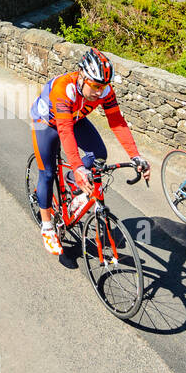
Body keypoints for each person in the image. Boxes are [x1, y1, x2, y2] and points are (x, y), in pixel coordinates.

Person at [30, 48, 149, 254]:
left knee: (99, 154)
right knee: (47, 174)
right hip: (46, 123)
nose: (98, 92)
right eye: (94, 86)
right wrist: (77, 166)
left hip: (75, 118)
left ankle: (72, 182)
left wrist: (135, 155)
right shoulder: (63, 89)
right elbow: (65, 131)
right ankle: (47, 227)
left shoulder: (104, 91)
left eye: (103, 87)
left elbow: (117, 122)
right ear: (82, 77)